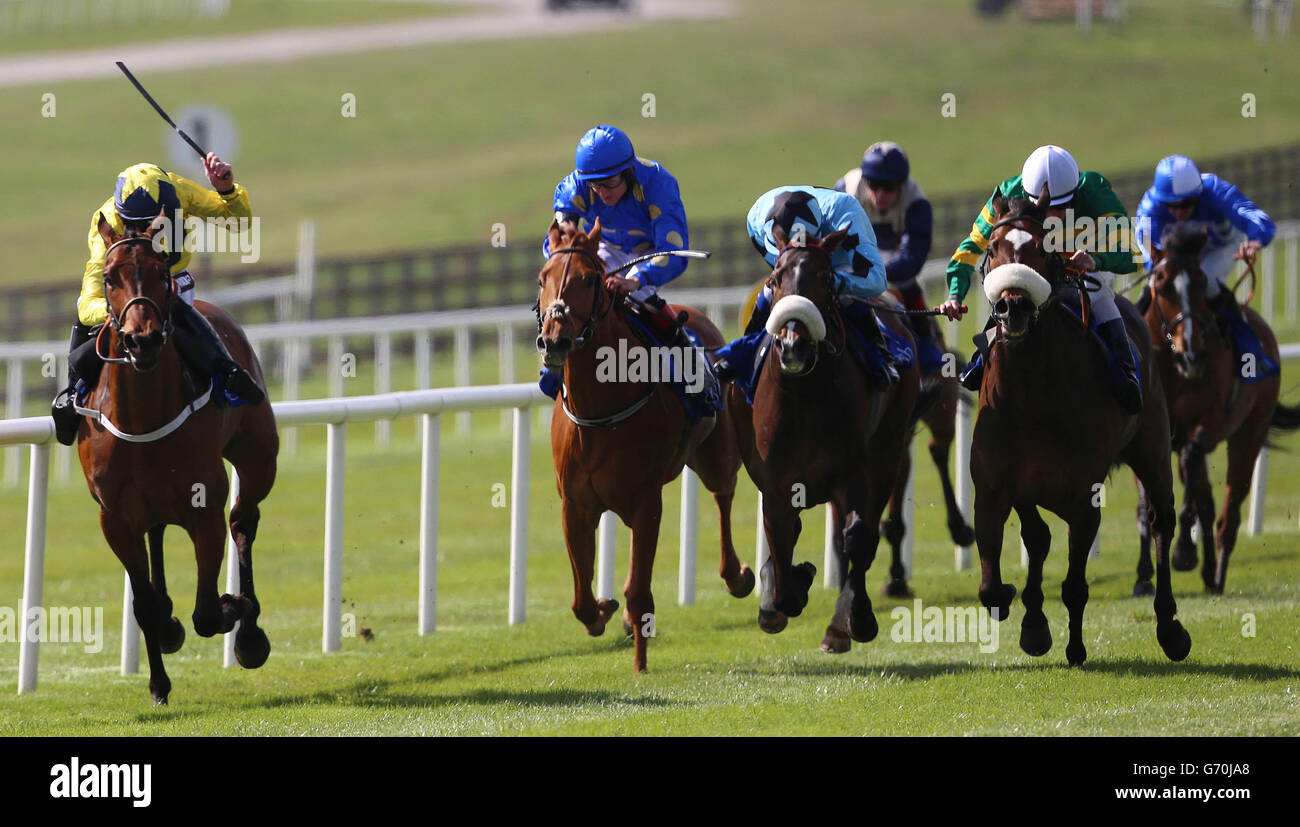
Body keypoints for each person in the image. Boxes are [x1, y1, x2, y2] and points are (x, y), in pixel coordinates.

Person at [50, 157, 265, 445]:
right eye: (142, 224)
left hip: (171, 281)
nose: (150, 229)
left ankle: (224, 371)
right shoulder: (106, 221)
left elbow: (238, 224)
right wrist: (119, 312)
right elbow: (89, 303)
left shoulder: (180, 190)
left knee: (170, 305)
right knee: (83, 320)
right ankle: (73, 392)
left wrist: (226, 191)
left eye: (158, 220)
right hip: (123, 296)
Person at [939, 145, 1144, 414]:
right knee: (1008, 292)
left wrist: (1096, 259)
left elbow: (1131, 252)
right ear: (1028, 196)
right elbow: (971, 248)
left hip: (1082, 266)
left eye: (1061, 207)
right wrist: (955, 294)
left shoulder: (1094, 189)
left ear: (1075, 194)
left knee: (1100, 296)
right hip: (1034, 267)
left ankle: (1126, 372)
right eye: (1045, 207)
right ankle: (982, 359)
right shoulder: (1008, 193)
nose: (1052, 216)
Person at [539, 125, 692, 398]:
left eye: (610, 182)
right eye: (596, 185)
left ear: (629, 171)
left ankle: (697, 377)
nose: (603, 193)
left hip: (649, 254)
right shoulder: (576, 187)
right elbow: (558, 246)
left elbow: (674, 251)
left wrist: (636, 280)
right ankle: (553, 362)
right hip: (604, 250)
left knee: (640, 300)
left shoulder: (658, 184)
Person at [713, 186, 896, 389]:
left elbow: (877, 280)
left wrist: (833, 281)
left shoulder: (845, 213)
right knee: (771, 288)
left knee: (846, 297)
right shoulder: (756, 216)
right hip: (791, 255)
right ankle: (743, 352)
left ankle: (880, 355)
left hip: (835, 259)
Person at [1134, 154, 1275, 333]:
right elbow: (1146, 247)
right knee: (1153, 287)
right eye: (1171, 205)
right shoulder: (1150, 206)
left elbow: (1249, 213)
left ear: (1199, 194)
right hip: (1177, 254)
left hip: (1220, 247)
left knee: (1207, 281)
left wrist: (1256, 239)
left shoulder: (1215, 190)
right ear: (1161, 200)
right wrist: (1158, 266)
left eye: (1187, 203)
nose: (1179, 211)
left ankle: (1249, 349)